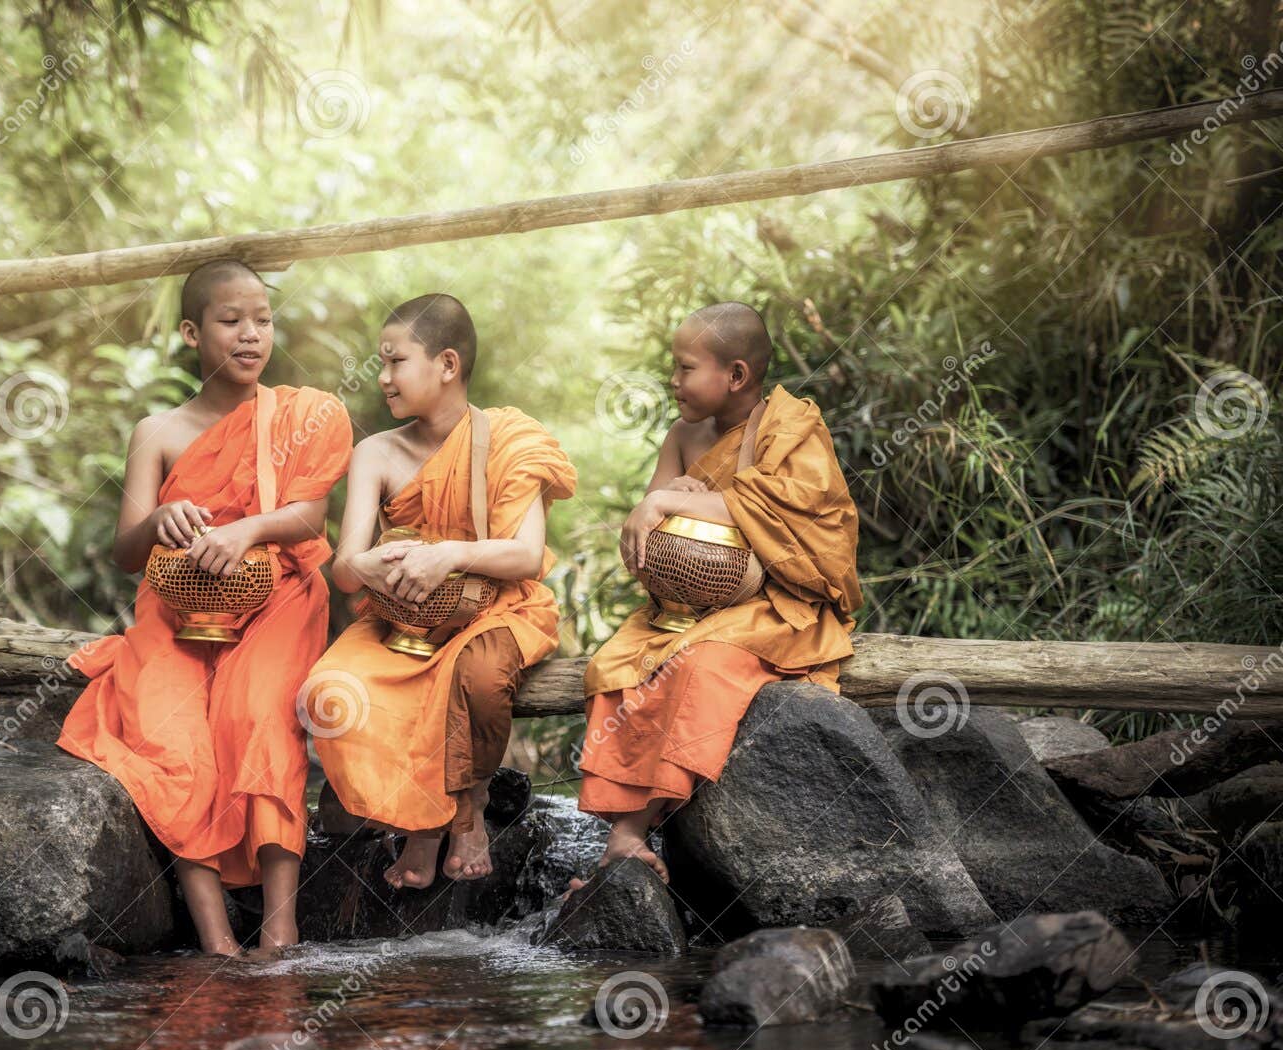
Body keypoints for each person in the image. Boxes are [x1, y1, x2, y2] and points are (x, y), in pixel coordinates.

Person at [58, 259, 352, 954]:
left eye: (263, 320)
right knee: (174, 740)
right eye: (230, 321)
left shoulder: (297, 418)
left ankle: (281, 930)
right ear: (192, 332)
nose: (250, 336)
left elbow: (309, 520)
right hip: (174, 608)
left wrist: (247, 528)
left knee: (257, 717)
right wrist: (160, 518)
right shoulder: (156, 432)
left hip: (276, 597)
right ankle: (216, 942)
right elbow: (128, 551)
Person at [572, 302, 862, 886]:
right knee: (616, 665)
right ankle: (623, 830)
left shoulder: (793, 428)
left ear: (736, 375)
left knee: (699, 666)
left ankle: (630, 832)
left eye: (684, 369)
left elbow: (802, 520)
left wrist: (679, 501)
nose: (673, 382)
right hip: (683, 606)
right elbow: (644, 534)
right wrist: (664, 504)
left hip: (776, 607)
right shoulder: (683, 435)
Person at [305, 294, 576, 888]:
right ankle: (418, 821)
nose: (382, 377)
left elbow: (525, 556)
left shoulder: (511, 439)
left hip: (494, 610)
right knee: (327, 691)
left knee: (476, 679)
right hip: (398, 622)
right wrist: (372, 566)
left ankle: (467, 809)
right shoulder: (375, 452)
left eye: (395, 361)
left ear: (447, 364)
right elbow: (345, 568)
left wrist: (447, 555)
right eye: (381, 363)